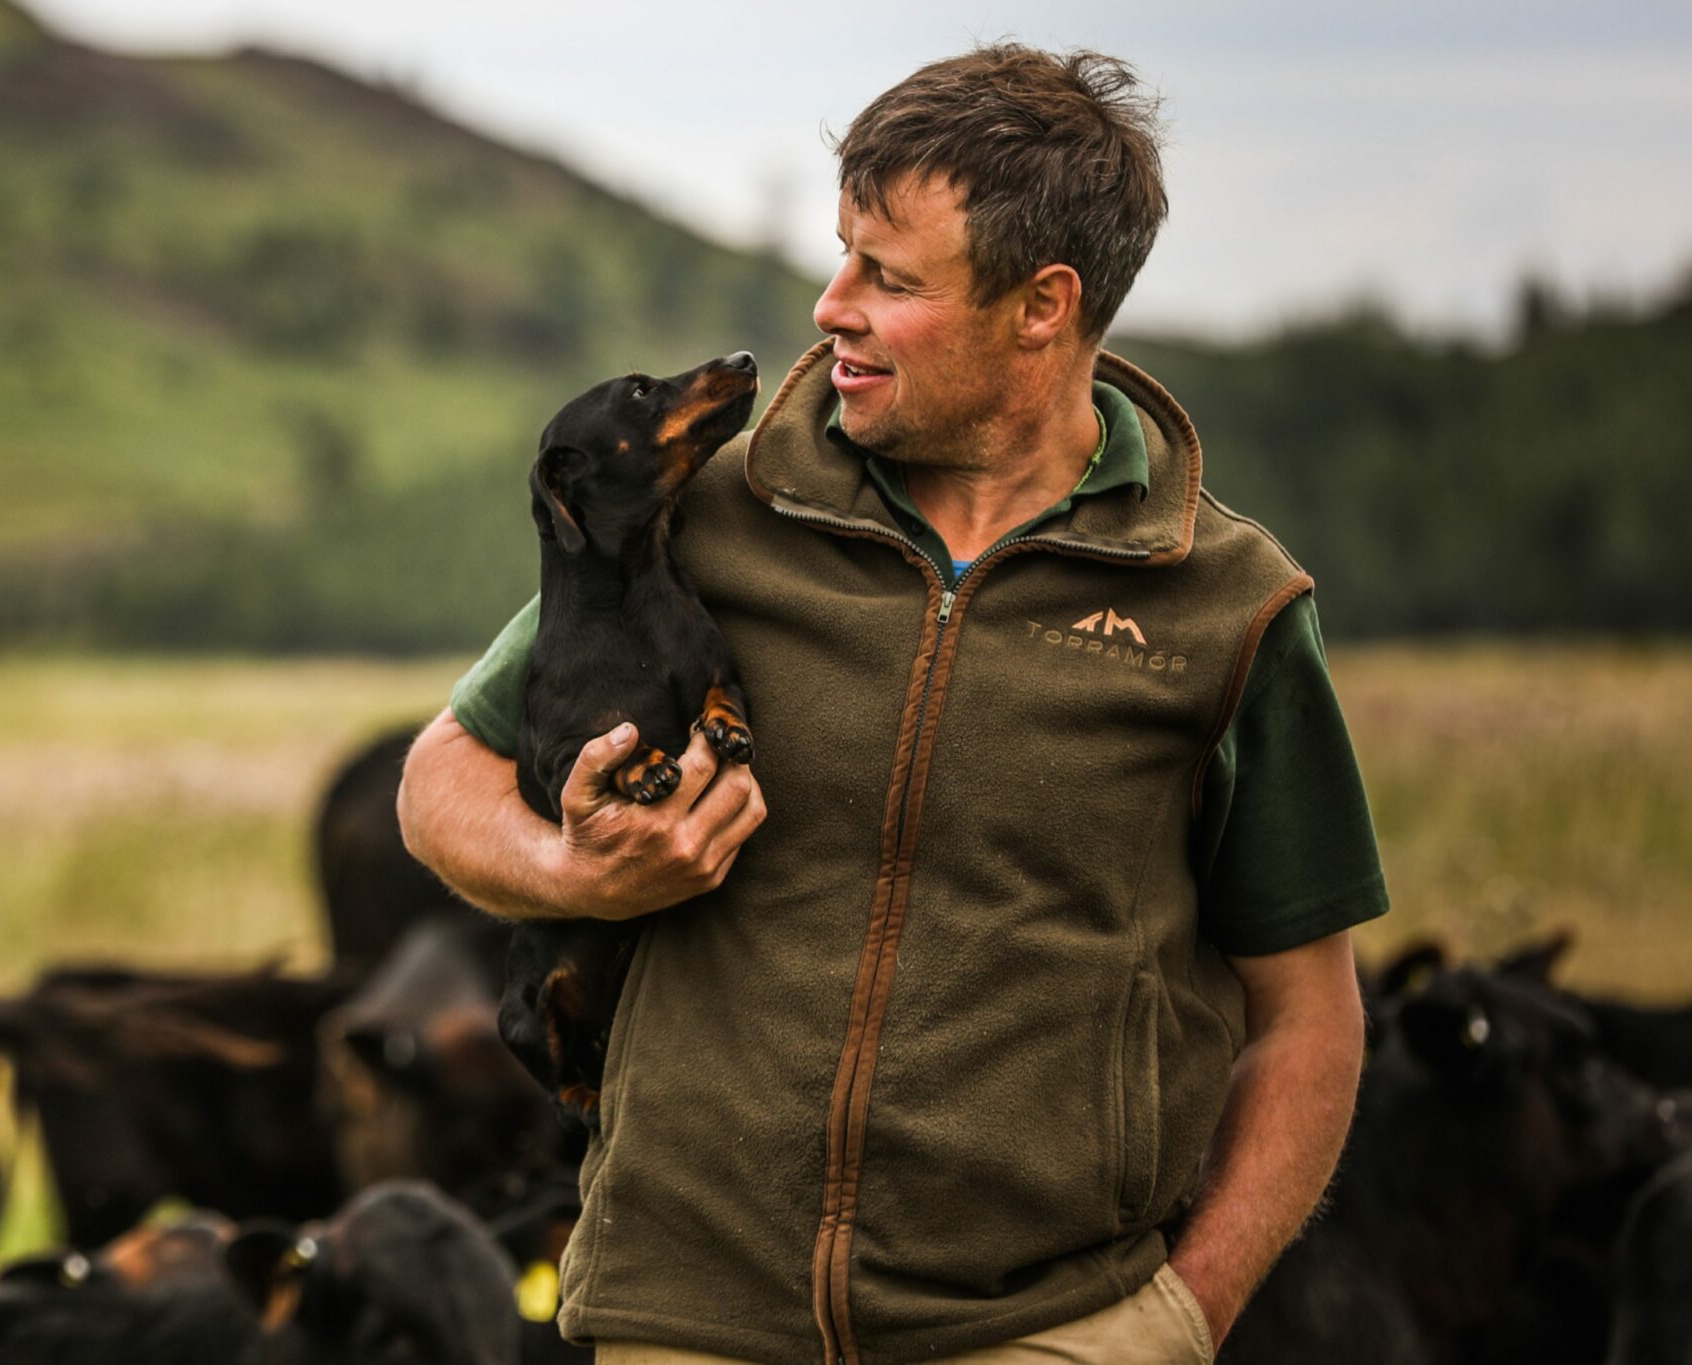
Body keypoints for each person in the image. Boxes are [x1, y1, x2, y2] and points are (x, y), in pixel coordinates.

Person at [398, 43, 1386, 1365]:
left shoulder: (1227, 606)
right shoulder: (708, 516)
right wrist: (570, 871)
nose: (831, 307)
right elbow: (442, 778)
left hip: (1044, 1334)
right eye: (842, 257)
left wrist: (1180, 1318)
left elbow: (1310, 1017)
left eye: (889, 278)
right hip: (685, 1323)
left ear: (1042, 306)